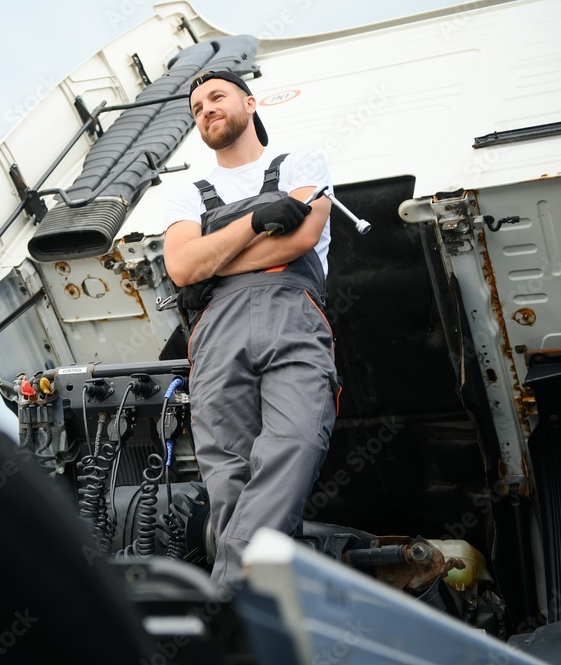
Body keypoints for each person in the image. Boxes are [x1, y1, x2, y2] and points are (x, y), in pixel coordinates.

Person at [163, 70, 340, 583]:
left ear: (250, 101)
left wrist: (211, 258)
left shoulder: (300, 163)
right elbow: (180, 269)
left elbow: (299, 239)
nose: (206, 110)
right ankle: (254, 617)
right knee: (228, 479)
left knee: (299, 439)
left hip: (294, 318)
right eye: (196, 108)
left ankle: (228, 592)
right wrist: (257, 221)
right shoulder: (187, 193)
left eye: (216, 98)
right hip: (217, 332)